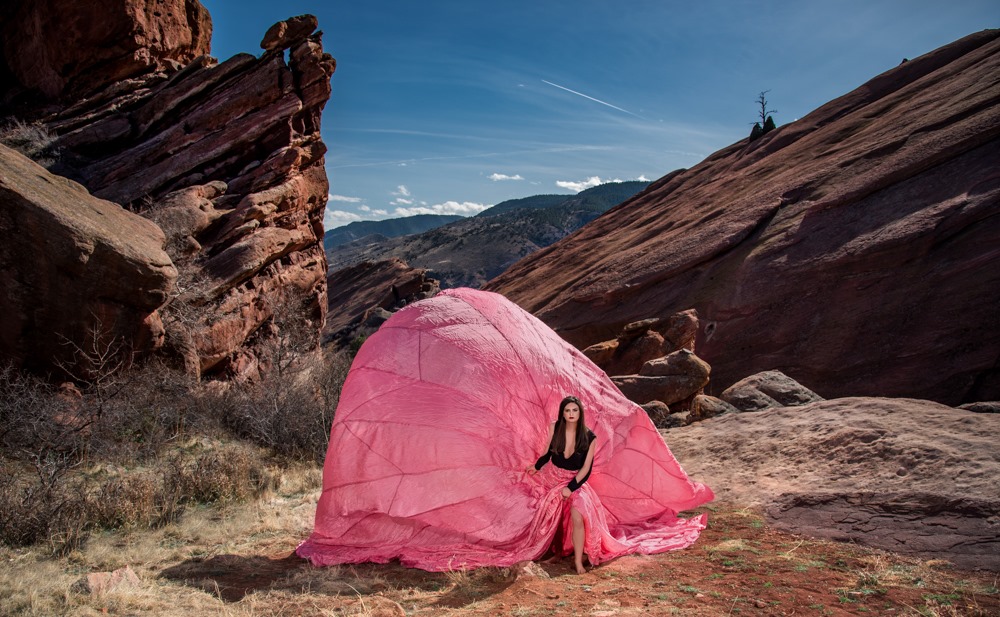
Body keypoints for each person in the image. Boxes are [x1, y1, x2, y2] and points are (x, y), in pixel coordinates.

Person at [526, 395, 596, 574]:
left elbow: (586, 469)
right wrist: (536, 466)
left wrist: (570, 488)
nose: (571, 414)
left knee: (577, 516)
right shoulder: (555, 427)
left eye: (575, 410)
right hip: (554, 478)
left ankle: (578, 561)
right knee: (555, 517)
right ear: (562, 413)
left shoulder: (589, 437)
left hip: (576, 482)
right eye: (567, 410)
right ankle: (557, 554)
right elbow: (548, 453)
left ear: (580, 413)